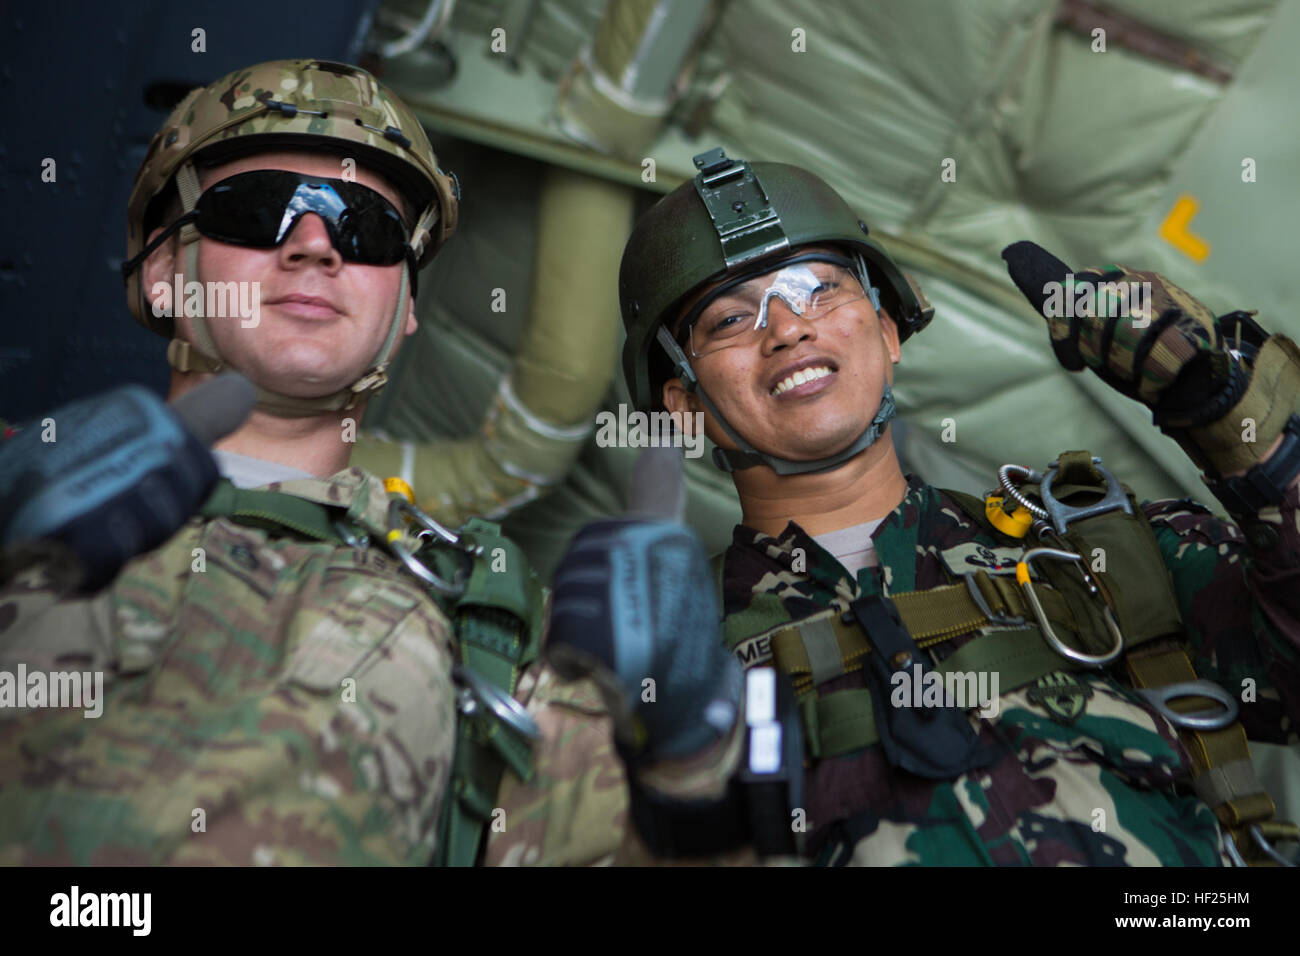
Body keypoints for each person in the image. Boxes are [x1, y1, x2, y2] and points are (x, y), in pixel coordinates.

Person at [497, 147, 1300, 866]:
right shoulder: (675, 654)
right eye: (731, 319)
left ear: (887, 330)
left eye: (817, 288)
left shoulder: (1096, 551)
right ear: (683, 402)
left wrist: (1234, 416)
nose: (786, 330)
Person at [0, 58, 497, 865]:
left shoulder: (481, 619)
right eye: (258, 210)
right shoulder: (20, 487)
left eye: (364, 226)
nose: (313, 246)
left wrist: (687, 763)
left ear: (405, 305)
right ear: (161, 271)